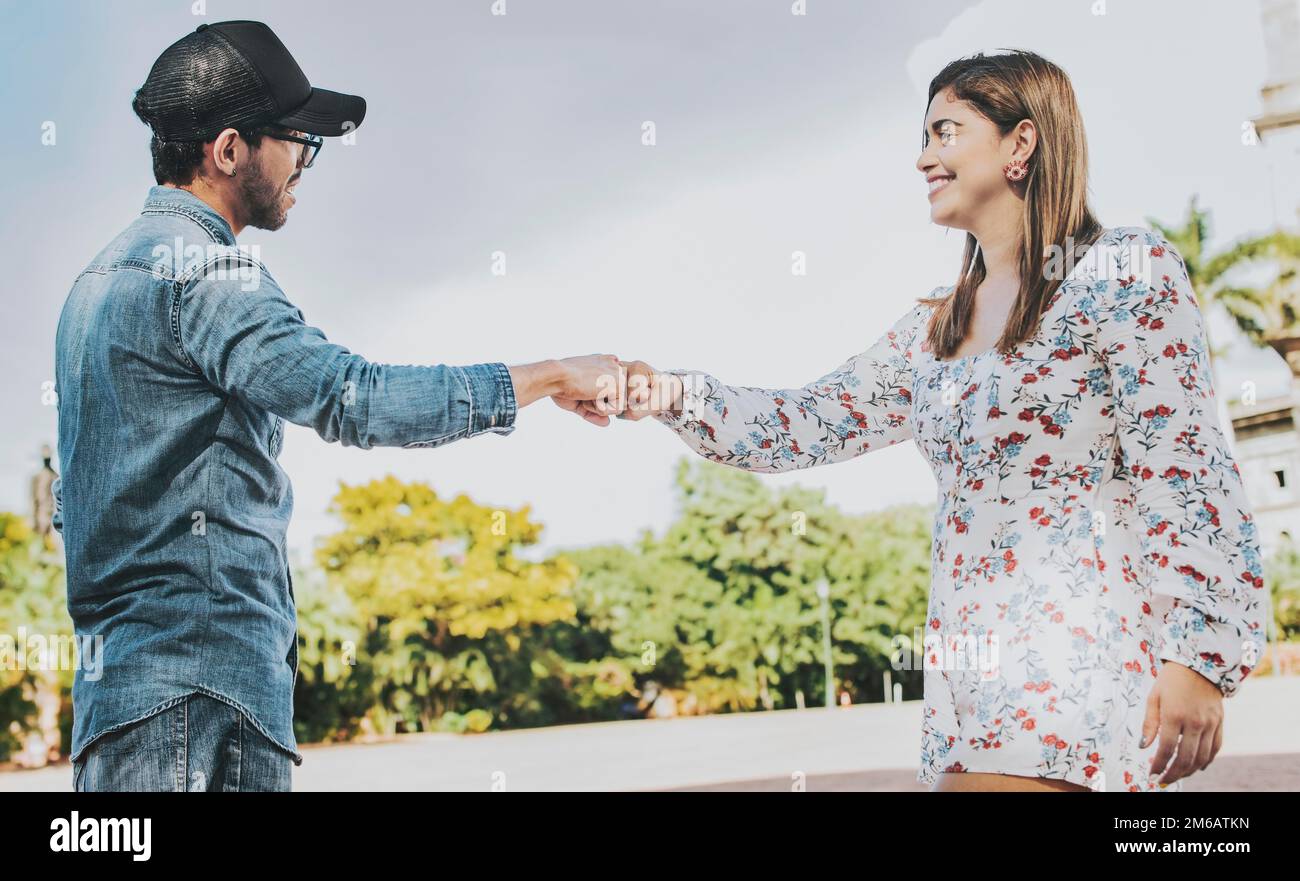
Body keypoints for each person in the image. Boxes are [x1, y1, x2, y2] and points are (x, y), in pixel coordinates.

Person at [608, 50, 1269, 792]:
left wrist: (1200, 656)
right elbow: (804, 421)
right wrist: (661, 393)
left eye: (945, 132)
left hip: (1078, 667)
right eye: (924, 138)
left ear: (1021, 144)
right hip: (966, 683)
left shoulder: (1119, 271)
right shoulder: (931, 332)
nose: (924, 157)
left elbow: (1186, 464)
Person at [54, 20, 627, 792]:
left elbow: (76, 499)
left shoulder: (90, 289)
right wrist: (552, 374)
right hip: (203, 704)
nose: (304, 163)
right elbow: (354, 396)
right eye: (296, 140)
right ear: (227, 150)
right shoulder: (209, 275)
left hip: (118, 711)